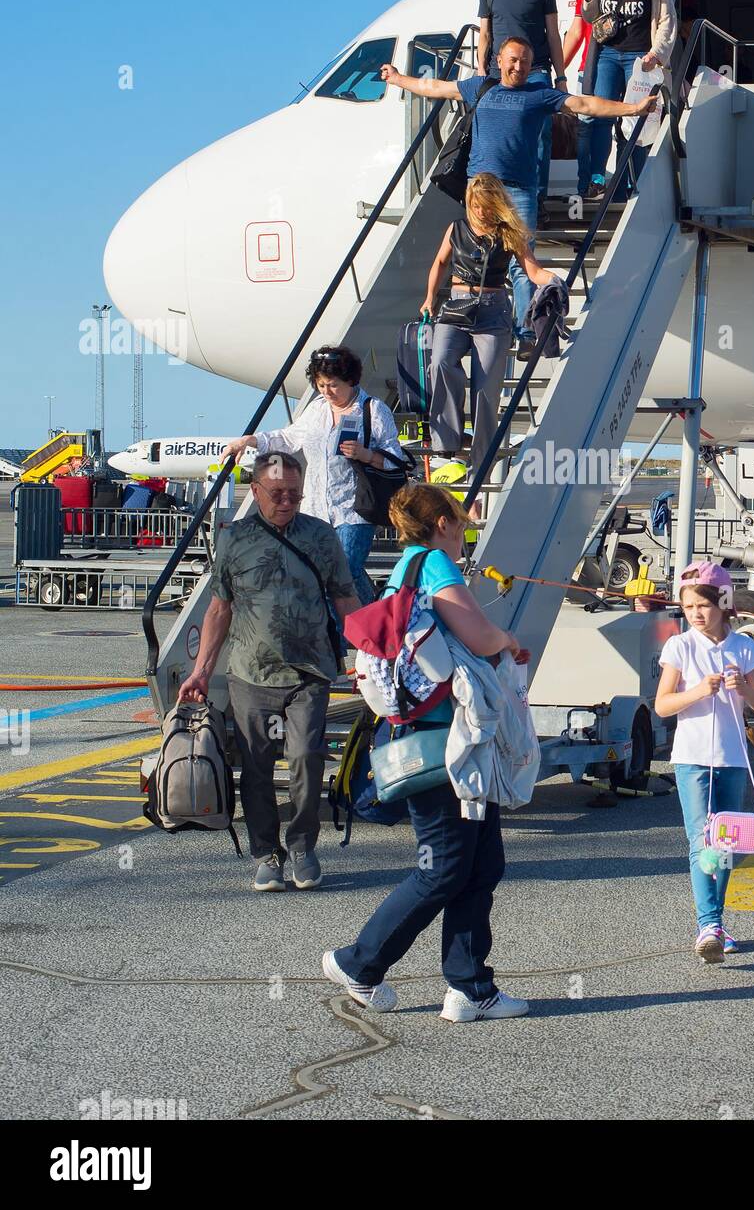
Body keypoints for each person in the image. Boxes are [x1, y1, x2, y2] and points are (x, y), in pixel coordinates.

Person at [323, 483, 530, 1022]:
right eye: (461, 524)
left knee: (481, 864)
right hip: (444, 744)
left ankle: (470, 986)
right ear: (442, 523)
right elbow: (479, 635)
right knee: (444, 867)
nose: (464, 535)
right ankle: (360, 962)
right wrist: (506, 640)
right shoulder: (435, 564)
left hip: (440, 737)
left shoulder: (407, 568)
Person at [381, 39, 657, 356]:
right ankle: (472, 324)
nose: (519, 66)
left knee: (522, 262)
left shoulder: (539, 95)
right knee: (474, 256)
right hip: (482, 191)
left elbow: (584, 105)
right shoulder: (480, 87)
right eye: (513, 60)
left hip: (520, 190)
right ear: (499, 60)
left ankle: (525, 332)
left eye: (525, 61)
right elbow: (436, 87)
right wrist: (398, 78)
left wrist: (632, 108)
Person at [178, 453, 362, 893]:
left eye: (294, 495)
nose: (286, 502)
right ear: (255, 490)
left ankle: (302, 845)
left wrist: (372, 657)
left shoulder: (320, 536)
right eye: (277, 494)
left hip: (310, 669)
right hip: (250, 671)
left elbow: (345, 599)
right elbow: (220, 608)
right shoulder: (235, 539)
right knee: (257, 766)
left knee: (304, 757)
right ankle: (266, 852)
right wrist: (202, 671)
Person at [222, 345, 404, 606]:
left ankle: (350, 636)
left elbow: (394, 457)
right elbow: (288, 439)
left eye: (333, 385)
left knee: (345, 572)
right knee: (331, 574)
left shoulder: (372, 410)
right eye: (321, 385)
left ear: (350, 380)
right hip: (315, 508)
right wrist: (249, 441)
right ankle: (377, 618)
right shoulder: (317, 409)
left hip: (354, 508)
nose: (327, 392)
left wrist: (367, 455)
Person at [654, 562, 754, 964]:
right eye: (688, 607)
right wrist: (699, 692)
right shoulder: (680, 646)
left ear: (724, 603)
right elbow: (663, 704)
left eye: (703, 604)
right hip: (691, 758)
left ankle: (715, 924)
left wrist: (745, 689)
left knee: (726, 842)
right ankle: (708, 924)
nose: (696, 614)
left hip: (733, 758)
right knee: (702, 840)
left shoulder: (743, 646)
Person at [421, 174, 558, 482]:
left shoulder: (508, 233)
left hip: (492, 313)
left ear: (496, 203)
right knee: (440, 362)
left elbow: (532, 270)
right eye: (475, 205)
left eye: (485, 205)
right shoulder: (456, 229)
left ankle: (480, 462)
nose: (480, 211)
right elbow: (440, 263)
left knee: (486, 391)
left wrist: (553, 280)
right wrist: (430, 297)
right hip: (457, 307)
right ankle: (448, 439)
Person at [582, 0, 676, 200]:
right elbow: (589, 16)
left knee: (635, 118)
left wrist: (656, 53)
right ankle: (598, 178)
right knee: (602, 112)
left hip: (639, 58)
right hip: (609, 53)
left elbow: (667, 20)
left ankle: (633, 181)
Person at [477, 0, 566, 214]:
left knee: (540, 131)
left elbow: (553, 35)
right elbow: (485, 35)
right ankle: (493, 194)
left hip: (537, 68)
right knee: (492, 132)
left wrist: (561, 77)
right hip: (497, 71)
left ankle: (536, 196)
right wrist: (481, 71)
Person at [560, 0, 608, 198]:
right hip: (586, 67)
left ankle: (599, 179)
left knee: (604, 124)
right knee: (586, 124)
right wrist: (559, 68)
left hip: (610, 63)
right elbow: (577, 32)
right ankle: (584, 183)